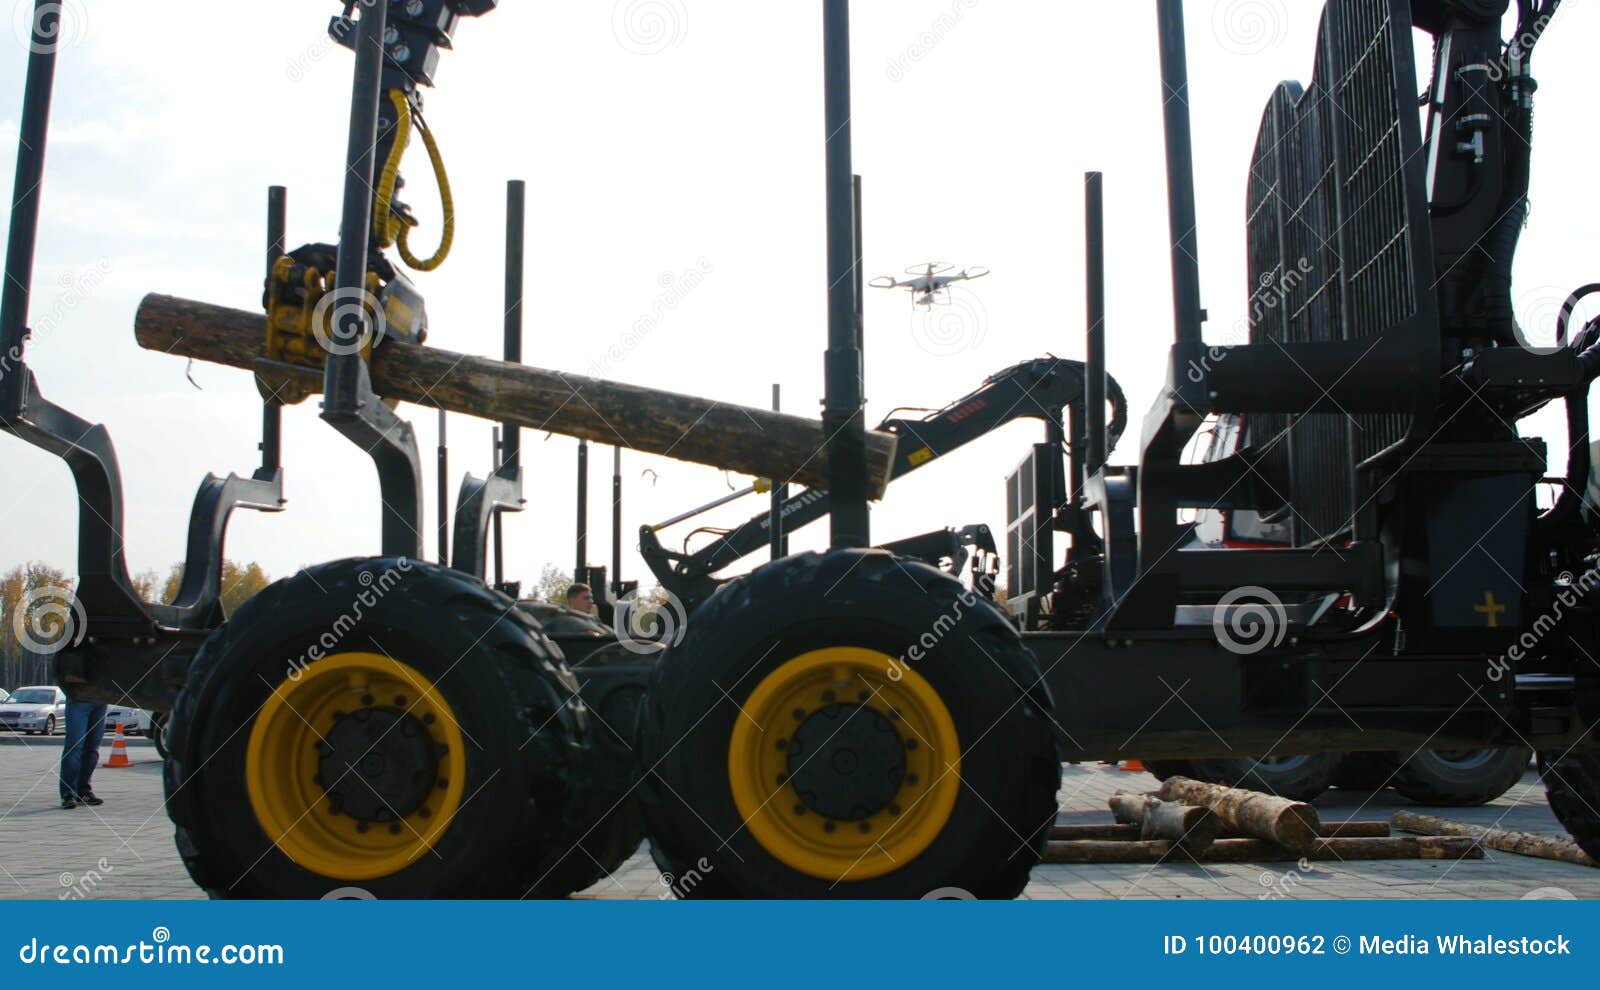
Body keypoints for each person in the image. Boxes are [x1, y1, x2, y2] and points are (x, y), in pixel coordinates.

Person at [59, 700, 108, 809]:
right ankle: (68, 794)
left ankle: (83, 791)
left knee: (92, 748)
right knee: (74, 746)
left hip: (100, 699)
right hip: (79, 698)